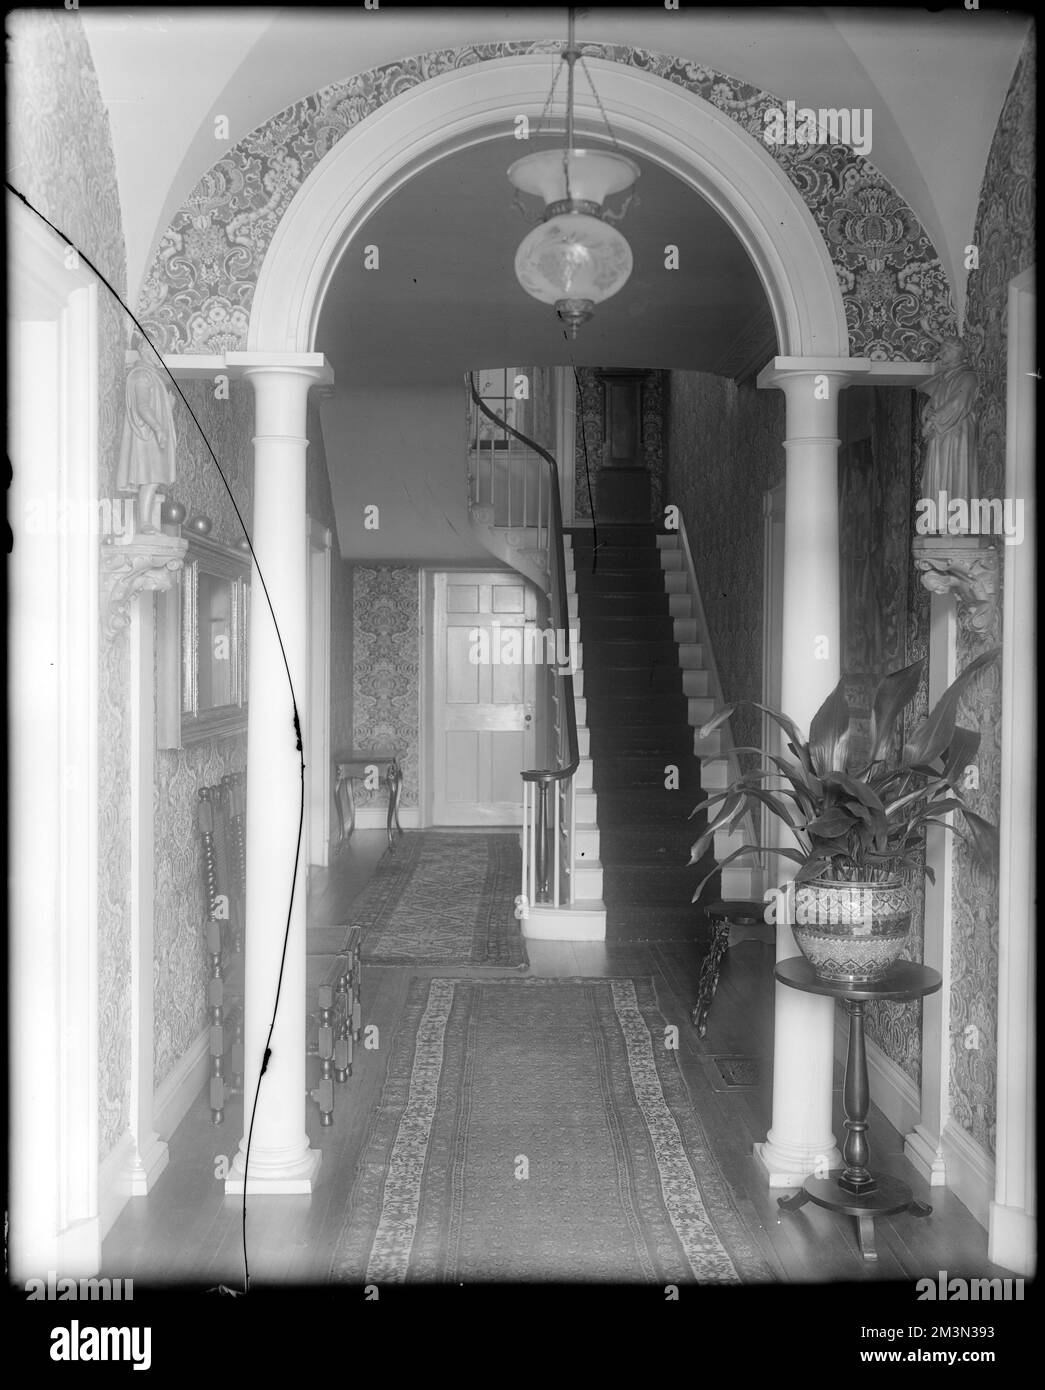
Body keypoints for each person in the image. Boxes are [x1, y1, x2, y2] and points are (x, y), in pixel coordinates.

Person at [117, 335, 177, 532]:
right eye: (156, 349)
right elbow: (142, 406)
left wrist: (168, 406)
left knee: (153, 480)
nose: (159, 354)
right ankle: (144, 522)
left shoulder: (151, 375)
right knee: (150, 479)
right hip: (147, 437)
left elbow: (154, 405)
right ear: (145, 350)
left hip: (151, 435)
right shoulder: (141, 375)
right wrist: (159, 428)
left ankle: (147, 520)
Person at [919, 336, 978, 516]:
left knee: (954, 475)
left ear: (956, 353)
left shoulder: (967, 377)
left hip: (955, 433)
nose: (940, 354)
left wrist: (932, 421)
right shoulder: (944, 379)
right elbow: (933, 404)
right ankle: (938, 520)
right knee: (936, 476)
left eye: (945, 350)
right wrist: (927, 414)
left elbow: (958, 404)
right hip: (940, 433)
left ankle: (956, 520)